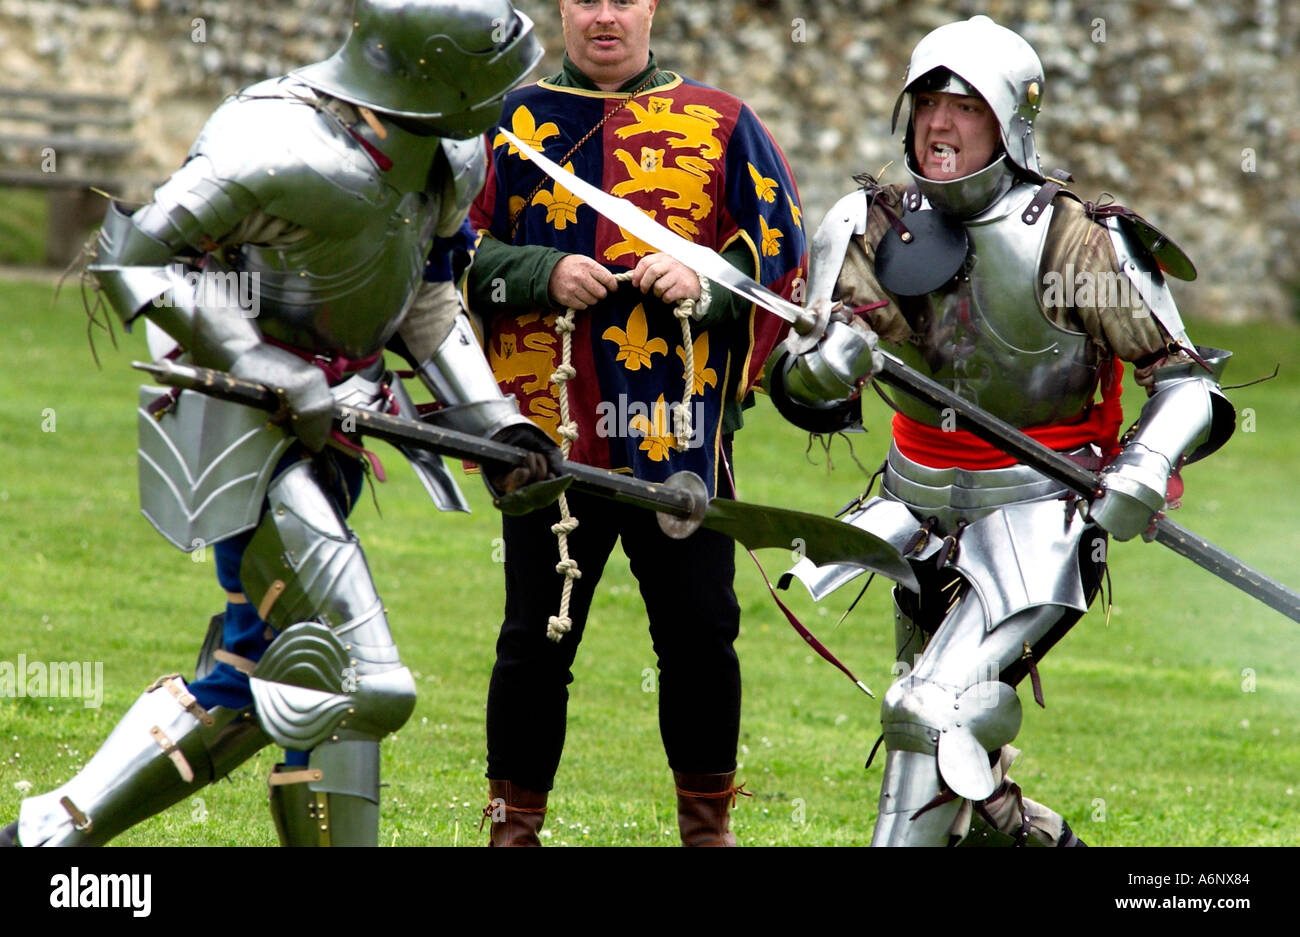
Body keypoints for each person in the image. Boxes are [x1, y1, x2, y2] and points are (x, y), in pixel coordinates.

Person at [3, 0, 557, 847]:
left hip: (336, 424)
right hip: (238, 422)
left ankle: (52, 831)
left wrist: (495, 420)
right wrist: (256, 358)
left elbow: (429, 296)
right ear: (425, 73)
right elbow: (134, 255)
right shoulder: (272, 142)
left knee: (255, 671)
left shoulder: (453, 149)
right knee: (364, 683)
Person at [767, 15, 1234, 846]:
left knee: (927, 710)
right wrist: (820, 364)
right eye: (928, 102)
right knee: (943, 735)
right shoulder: (869, 224)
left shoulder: (1074, 238)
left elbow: (1186, 378)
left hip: (1037, 516)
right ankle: (1032, 838)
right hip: (913, 512)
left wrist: (1145, 462)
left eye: (966, 106)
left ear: (1010, 121)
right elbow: (804, 390)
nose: (940, 124)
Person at [466, 0, 807, 845]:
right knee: (533, 644)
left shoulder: (722, 122)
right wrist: (541, 271)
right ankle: (514, 832)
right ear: (561, 9)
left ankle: (707, 832)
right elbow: (450, 255)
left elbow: (778, 251)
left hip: (678, 434)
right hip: (548, 433)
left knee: (700, 636)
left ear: (651, 6)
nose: (605, 16)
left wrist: (702, 278)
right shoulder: (503, 124)